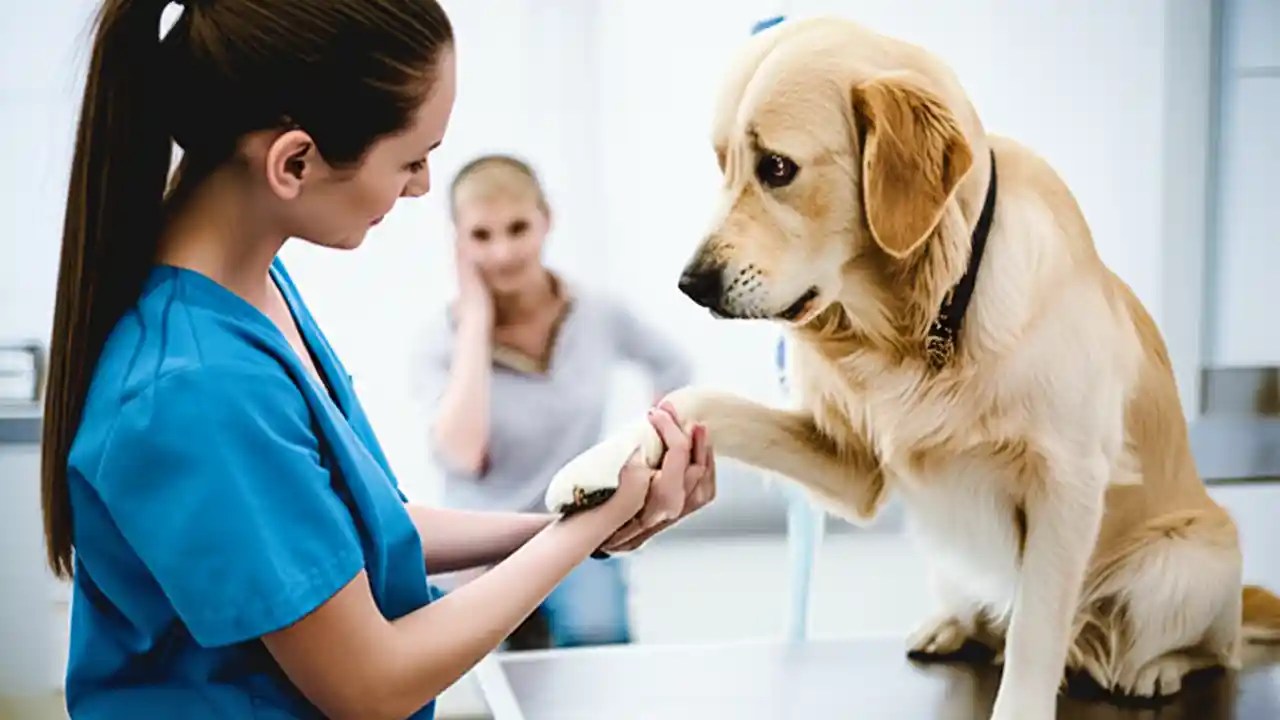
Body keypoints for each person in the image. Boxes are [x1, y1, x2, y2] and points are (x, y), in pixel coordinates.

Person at [39, 2, 715, 719]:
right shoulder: (194, 387)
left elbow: (362, 529)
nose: (423, 185)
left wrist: (591, 521)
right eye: (412, 158)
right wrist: (579, 537)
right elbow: (373, 682)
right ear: (294, 161)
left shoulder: (253, 292)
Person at [417, 154, 696, 649]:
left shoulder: (598, 314)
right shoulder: (441, 341)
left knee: (599, 639)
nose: (502, 252)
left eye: (518, 228)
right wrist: (476, 325)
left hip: (577, 527)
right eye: (481, 236)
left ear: (547, 221)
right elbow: (462, 455)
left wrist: (648, 459)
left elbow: (673, 368)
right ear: (458, 242)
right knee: (495, 664)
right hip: (483, 544)